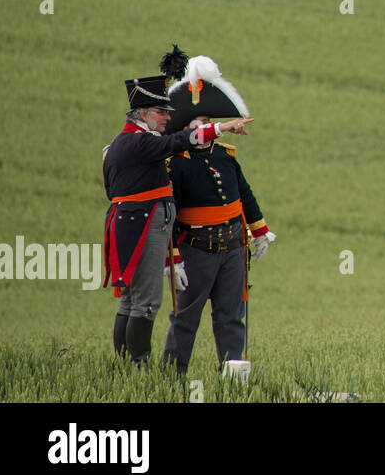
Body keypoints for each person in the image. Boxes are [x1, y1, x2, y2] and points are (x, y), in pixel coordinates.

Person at [103, 57, 252, 368]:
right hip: (145, 227)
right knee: (144, 303)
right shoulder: (140, 142)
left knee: (134, 302)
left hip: (140, 224)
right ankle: (137, 366)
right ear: (142, 113)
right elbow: (184, 139)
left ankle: (128, 366)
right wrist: (223, 126)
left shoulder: (129, 142)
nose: (165, 118)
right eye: (160, 112)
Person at [160, 51, 275, 374]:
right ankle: (172, 376)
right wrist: (172, 258)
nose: (203, 128)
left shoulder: (225, 156)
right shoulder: (176, 163)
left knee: (231, 316)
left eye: (206, 122)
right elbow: (169, 214)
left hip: (232, 248)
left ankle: (234, 377)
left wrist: (261, 230)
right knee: (186, 318)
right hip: (196, 249)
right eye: (197, 123)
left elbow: (244, 194)